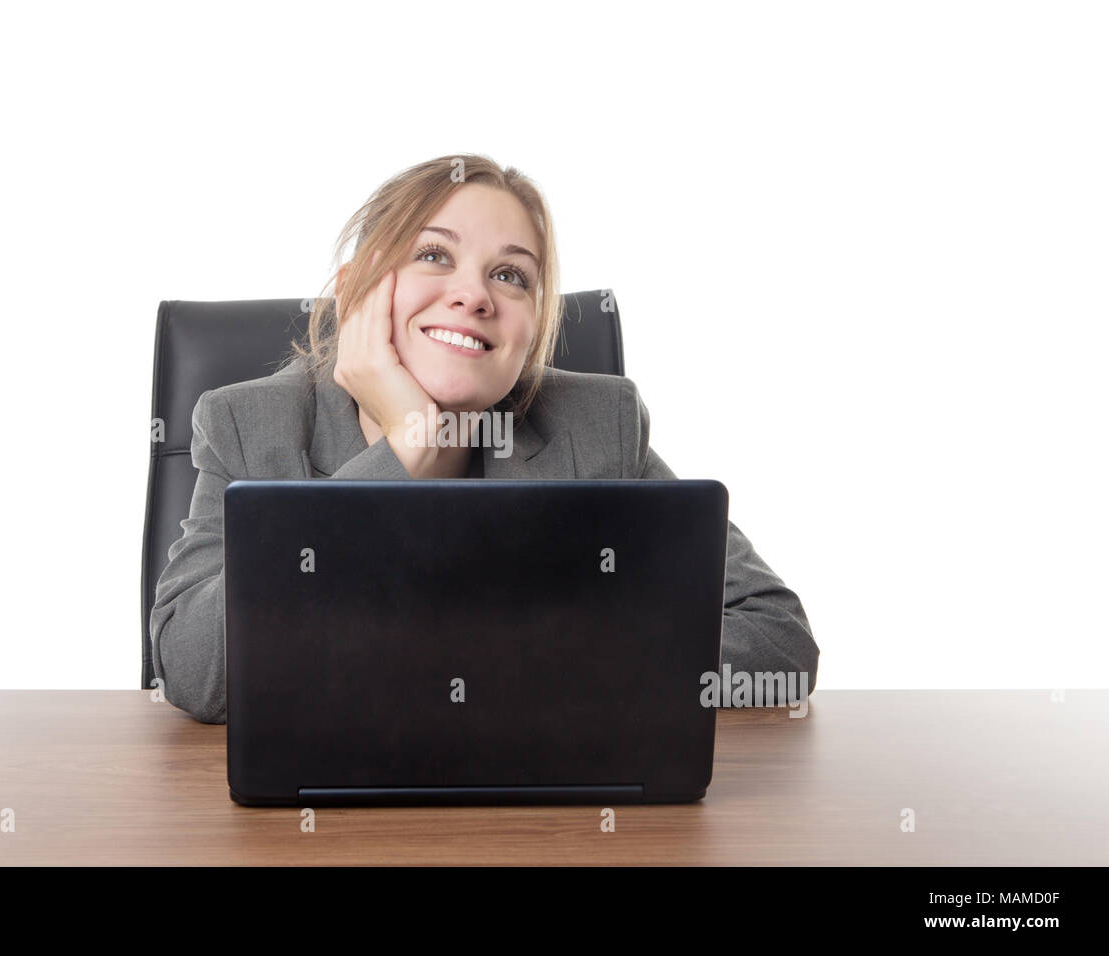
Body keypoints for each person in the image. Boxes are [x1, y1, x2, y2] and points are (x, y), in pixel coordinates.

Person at [151, 153, 818, 724]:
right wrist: (403, 451)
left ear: (534, 329)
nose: (473, 296)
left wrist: (528, 659)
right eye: (434, 255)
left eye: (510, 276)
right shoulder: (250, 427)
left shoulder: (597, 428)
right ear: (355, 290)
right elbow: (198, 672)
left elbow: (778, 642)